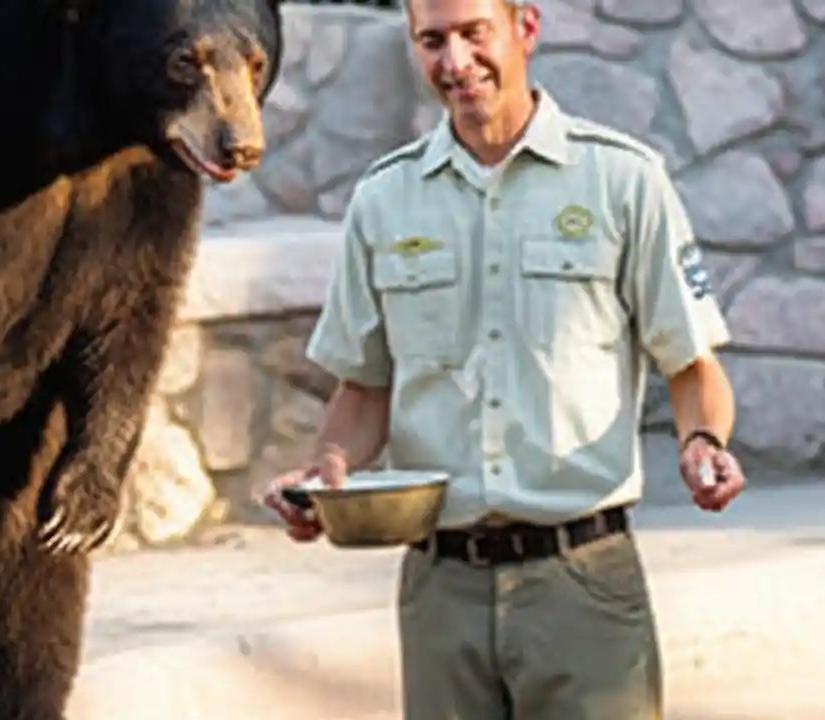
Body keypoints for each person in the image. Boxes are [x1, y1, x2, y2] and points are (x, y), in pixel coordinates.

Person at [259, 0, 749, 718]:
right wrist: (326, 472)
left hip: (582, 583)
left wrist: (703, 443)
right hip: (439, 591)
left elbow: (692, 366)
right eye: (432, 41)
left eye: (472, 34)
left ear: (526, 28)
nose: (454, 63)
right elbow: (365, 390)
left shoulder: (623, 181)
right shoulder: (383, 201)